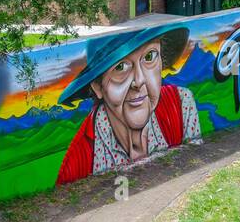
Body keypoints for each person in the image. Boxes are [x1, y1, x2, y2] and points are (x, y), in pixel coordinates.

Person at [55, 24, 201, 185]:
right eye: (120, 67)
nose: (139, 80)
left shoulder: (180, 104)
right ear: (98, 87)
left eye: (149, 57)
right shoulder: (79, 161)